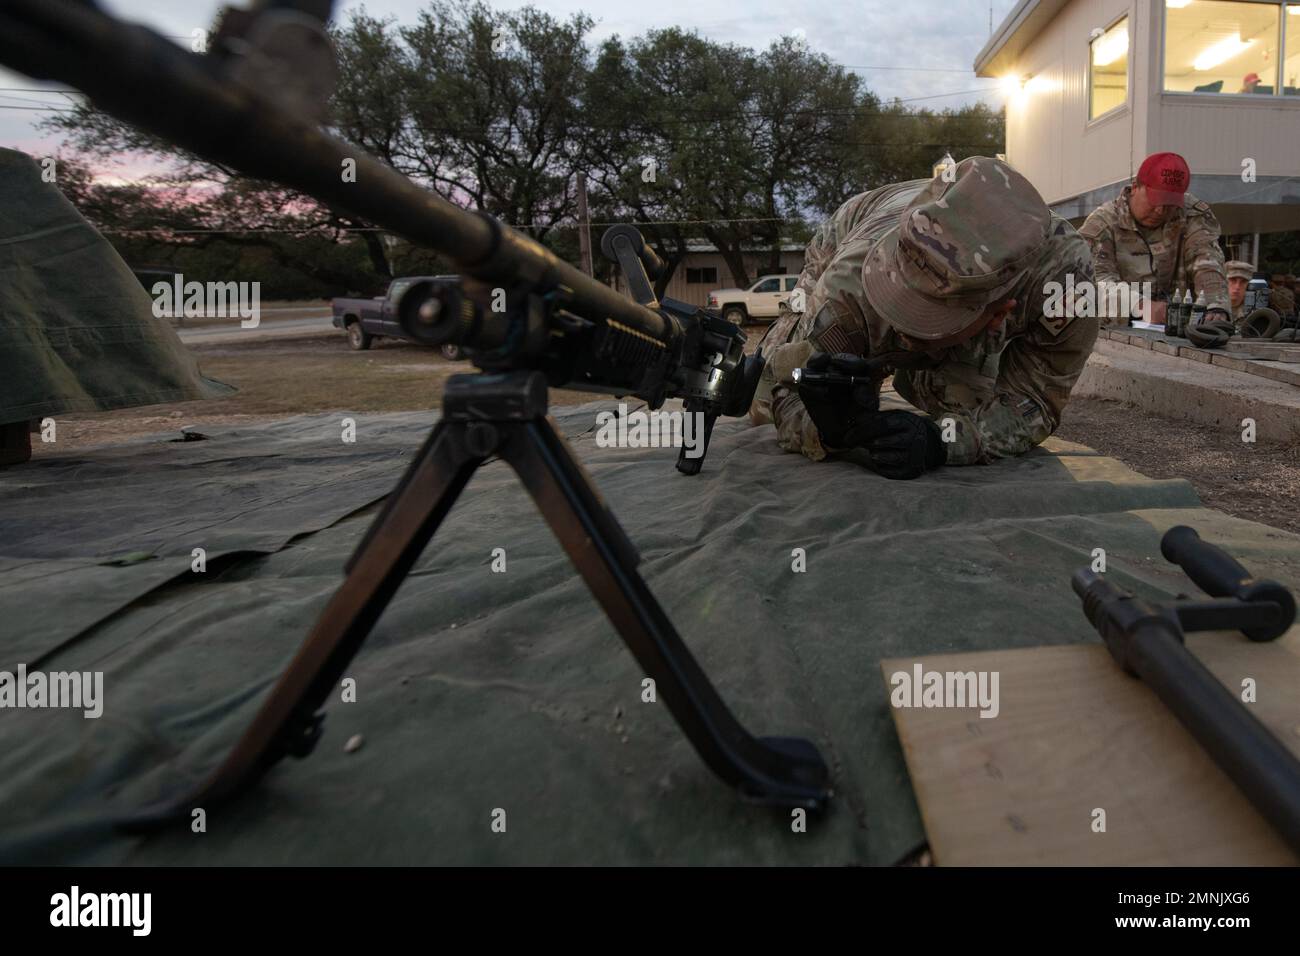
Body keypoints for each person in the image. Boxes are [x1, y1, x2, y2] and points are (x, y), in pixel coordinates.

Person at [749, 156, 1097, 480]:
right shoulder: (850, 286)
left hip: (993, 316)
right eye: (901, 299)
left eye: (931, 319)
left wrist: (942, 441)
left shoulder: (1067, 288)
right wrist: (833, 432)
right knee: (759, 397)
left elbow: (1034, 404)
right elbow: (782, 388)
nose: (904, 326)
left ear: (998, 316)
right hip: (854, 226)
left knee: (965, 406)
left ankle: (925, 375)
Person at [1078, 152, 1230, 328]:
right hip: (1118, 332)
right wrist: (1140, 306)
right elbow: (1092, 281)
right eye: (1155, 200)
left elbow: (1207, 261)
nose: (1160, 211)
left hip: (1180, 332)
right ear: (1135, 187)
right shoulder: (1102, 224)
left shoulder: (1192, 214)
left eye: (1169, 204)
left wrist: (1215, 307)